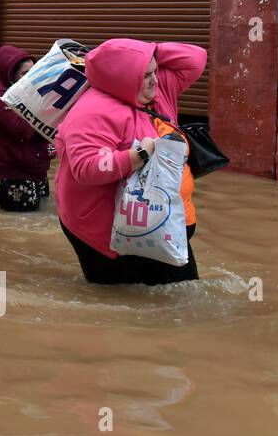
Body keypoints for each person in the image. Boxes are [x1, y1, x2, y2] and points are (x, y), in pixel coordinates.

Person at [55, 40, 207, 285]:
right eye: (146, 74)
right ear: (122, 77)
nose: (155, 80)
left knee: (179, 299)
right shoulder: (92, 112)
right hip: (111, 234)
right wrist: (139, 155)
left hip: (163, 226)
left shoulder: (155, 92)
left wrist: (143, 53)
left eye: (155, 71)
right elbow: (86, 168)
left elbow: (195, 58)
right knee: (129, 307)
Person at [0, 45, 52, 211]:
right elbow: (23, 128)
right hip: (10, 171)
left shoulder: (32, 93)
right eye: (24, 74)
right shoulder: (2, 97)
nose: (30, 79)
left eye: (33, 73)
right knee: (22, 218)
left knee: (42, 212)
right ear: (10, 74)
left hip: (35, 168)